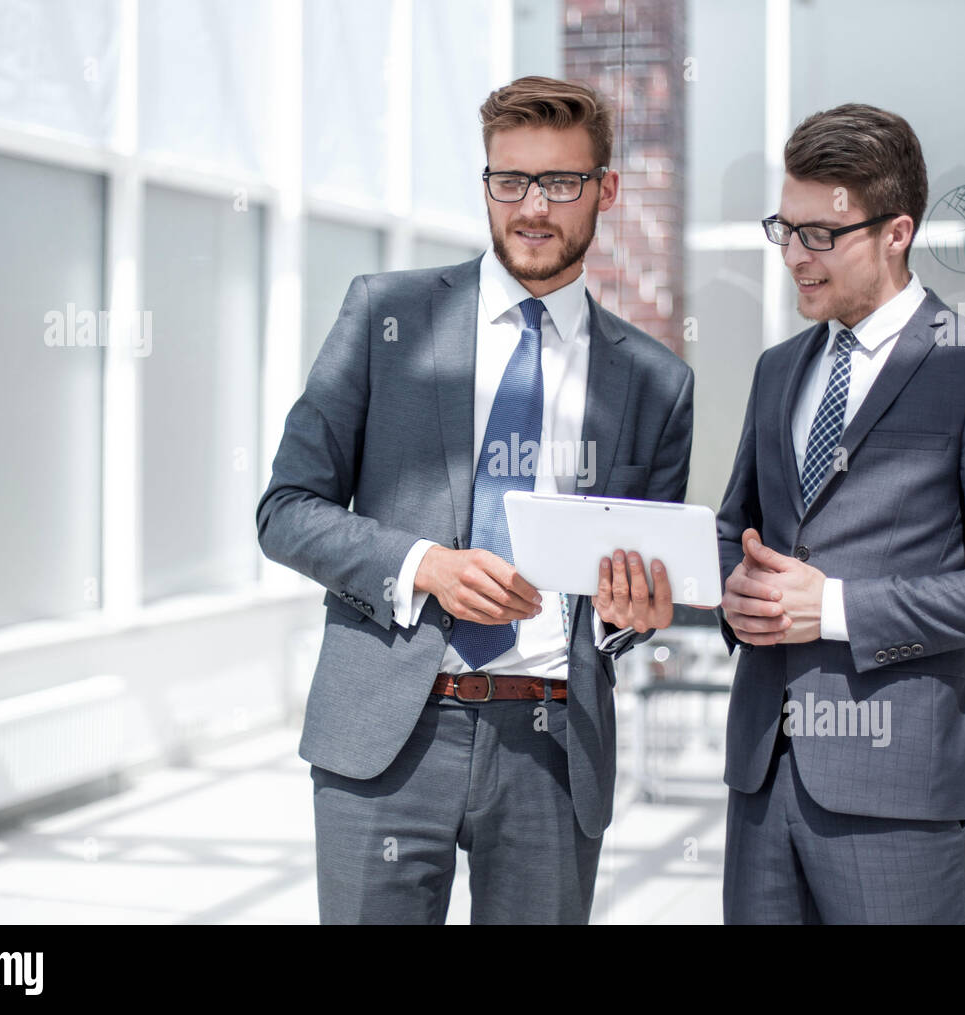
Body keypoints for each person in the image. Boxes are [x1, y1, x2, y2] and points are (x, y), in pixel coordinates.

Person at [256, 76, 693, 924]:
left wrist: (627, 611)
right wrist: (423, 566)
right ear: (487, 182)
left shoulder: (656, 381)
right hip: (386, 739)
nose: (532, 207)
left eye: (561, 183)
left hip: (551, 748)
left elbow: (629, 600)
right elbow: (287, 508)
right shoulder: (386, 317)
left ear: (604, 189)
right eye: (510, 181)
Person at [715, 103, 965, 924]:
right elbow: (741, 526)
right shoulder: (777, 370)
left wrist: (832, 607)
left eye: (819, 236)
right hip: (763, 785)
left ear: (896, 231)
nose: (794, 257)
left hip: (898, 802)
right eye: (785, 229)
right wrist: (732, 589)